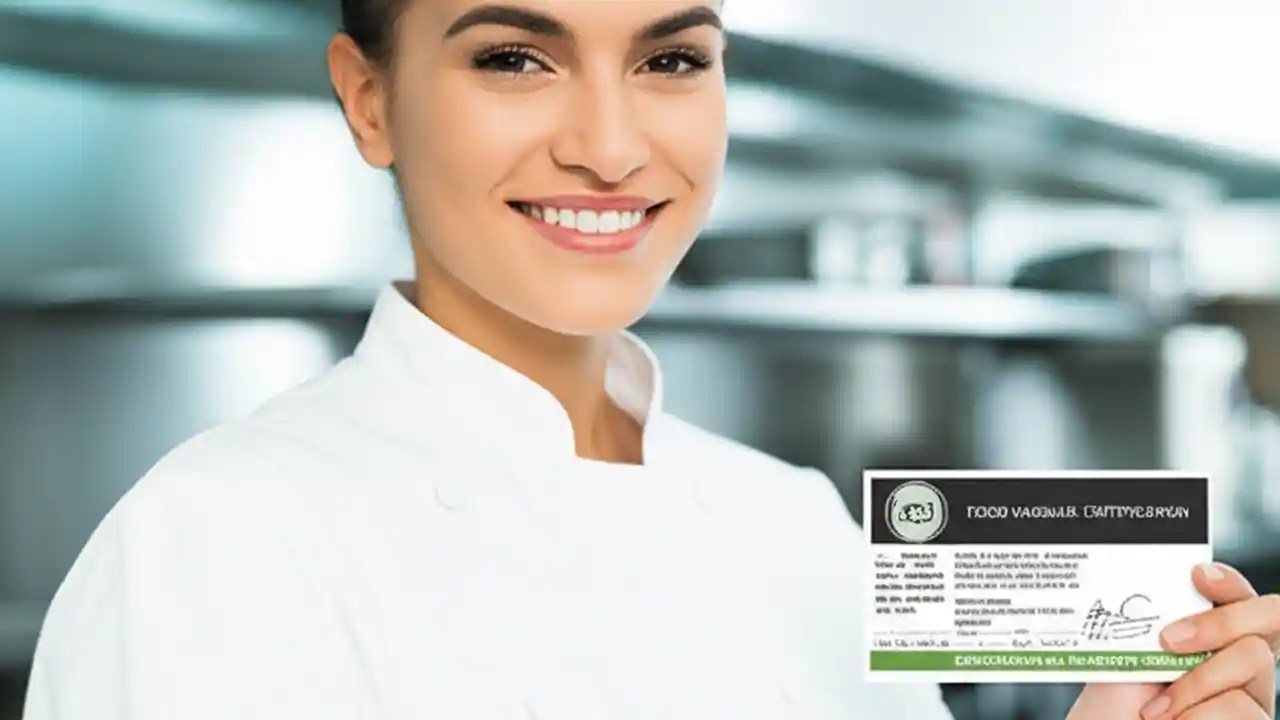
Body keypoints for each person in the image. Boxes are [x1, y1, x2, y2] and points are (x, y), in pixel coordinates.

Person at [23, 1, 1280, 718]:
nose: (613, 148)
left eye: (670, 61)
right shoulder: (215, 548)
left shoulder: (797, 526)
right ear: (368, 100)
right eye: (515, 57)